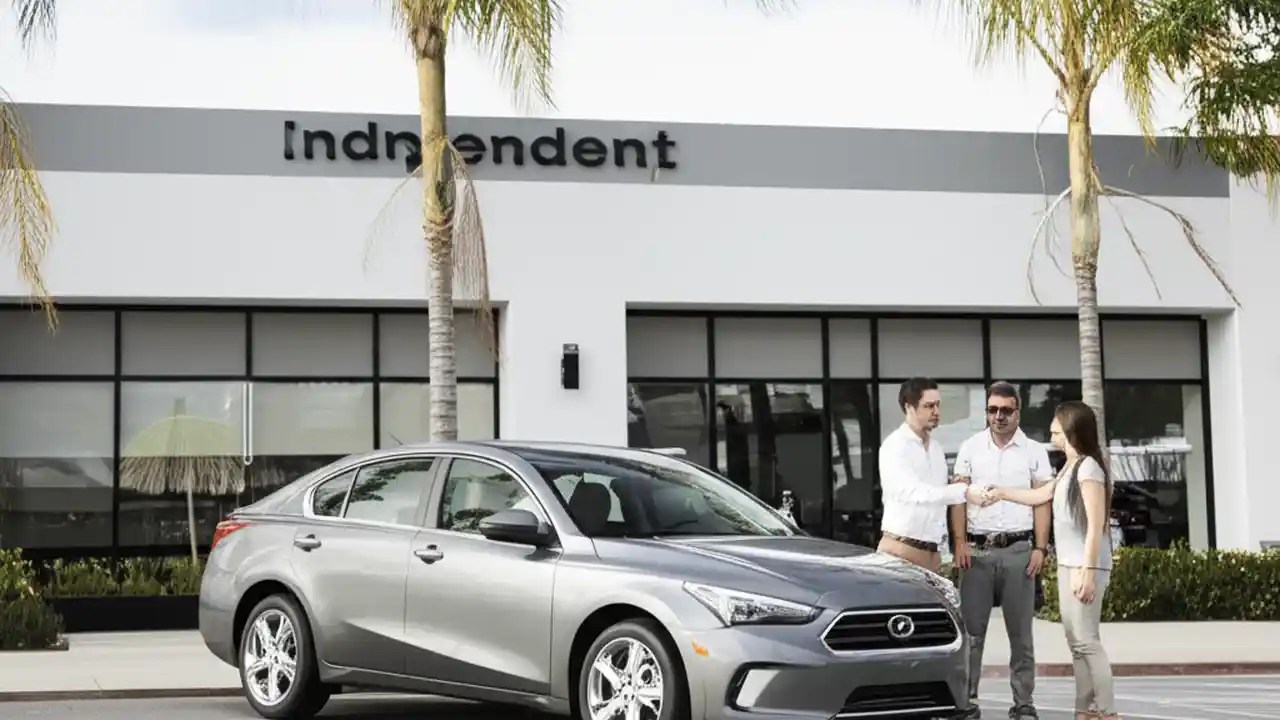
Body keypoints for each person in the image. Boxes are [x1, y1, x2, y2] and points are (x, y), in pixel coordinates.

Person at [985, 401, 1118, 720]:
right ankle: (1084, 711)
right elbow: (1039, 495)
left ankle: (1108, 712)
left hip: (1085, 566)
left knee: (1087, 642)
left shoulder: (1089, 468)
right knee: (1077, 644)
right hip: (1070, 565)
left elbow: (1096, 526)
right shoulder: (1070, 467)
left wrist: (1088, 572)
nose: (1051, 431)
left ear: (1071, 428)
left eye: (1056, 427)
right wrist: (1002, 492)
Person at [950, 382, 1052, 720]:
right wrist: (959, 542)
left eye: (1006, 410)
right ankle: (966, 702)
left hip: (1019, 550)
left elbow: (1042, 502)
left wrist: (1040, 547)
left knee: (1021, 635)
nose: (998, 416)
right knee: (971, 635)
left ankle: (1023, 703)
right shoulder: (970, 447)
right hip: (977, 551)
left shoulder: (1034, 451)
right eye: (992, 410)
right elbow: (958, 498)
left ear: (1017, 412)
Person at [878, 377, 991, 572]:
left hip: (933, 554)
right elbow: (914, 492)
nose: (936, 412)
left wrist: (949, 548)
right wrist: (961, 491)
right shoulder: (894, 447)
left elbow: (940, 500)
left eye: (938, 405)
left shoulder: (936, 449)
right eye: (929, 406)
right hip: (901, 551)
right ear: (909, 407)